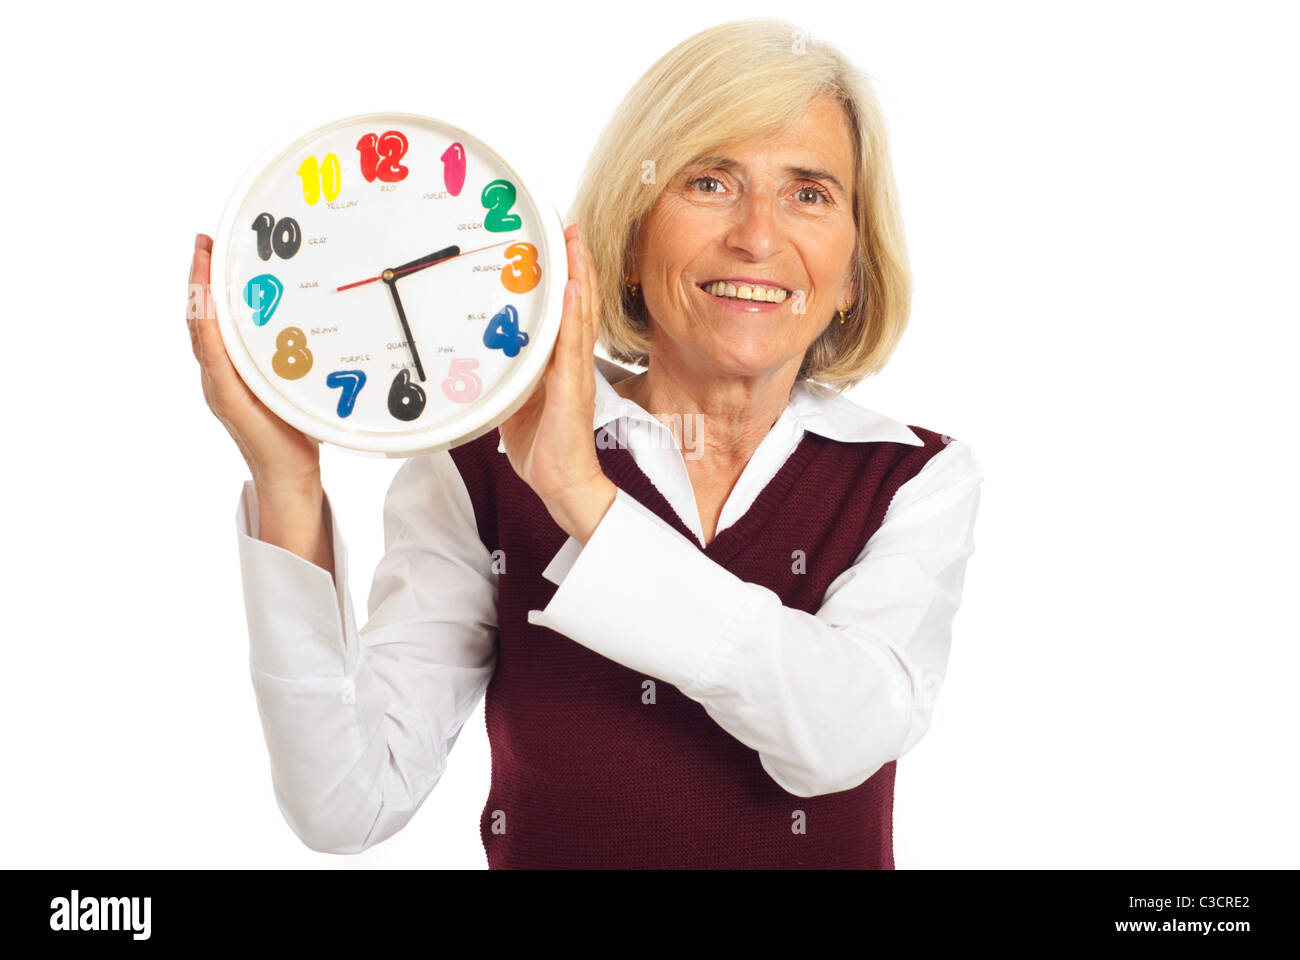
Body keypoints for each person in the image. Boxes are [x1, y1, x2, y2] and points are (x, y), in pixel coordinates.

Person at [186, 17, 983, 869]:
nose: (757, 236)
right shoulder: (477, 467)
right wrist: (287, 483)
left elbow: (842, 736)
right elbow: (348, 804)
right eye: (709, 182)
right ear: (630, 241)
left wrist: (583, 498)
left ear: (853, 272)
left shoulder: (912, 478)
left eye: (810, 194)